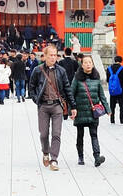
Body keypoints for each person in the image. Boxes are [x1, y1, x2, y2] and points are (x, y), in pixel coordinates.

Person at [28, 42, 71, 171]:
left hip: (57, 105)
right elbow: (31, 87)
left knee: (56, 133)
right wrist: (37, 100)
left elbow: (67, 89)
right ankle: (45, 152)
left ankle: (54, 159)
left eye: (55, 55)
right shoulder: (38, 70)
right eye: (51, 55)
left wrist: (72, 106)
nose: (53, 57)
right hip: (43, 106)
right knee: (44, 134)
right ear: (45, 56)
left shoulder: (61, 71)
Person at [67, 53, 108, 167]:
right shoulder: (77, 78)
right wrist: (71, 110)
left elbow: (101, 95)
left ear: (93, 64)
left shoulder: (96, 78)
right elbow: (71, 94)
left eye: (90, 62)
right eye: (86, 63)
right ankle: (80, 157)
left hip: (93, 112)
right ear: (82, 65)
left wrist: (108, 109)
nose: (88, 64)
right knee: (80, 135)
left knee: (94, 134)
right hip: (80, 111)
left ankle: (97, 157)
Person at [106, 54, 123, 125]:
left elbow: (108, 80)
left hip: (112, 90)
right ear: (121, 61)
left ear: (115, 60)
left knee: (112, 105)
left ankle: (112, 120)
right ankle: (122, 120)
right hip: (121, 90)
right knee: (122, 105)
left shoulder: (109, 69)